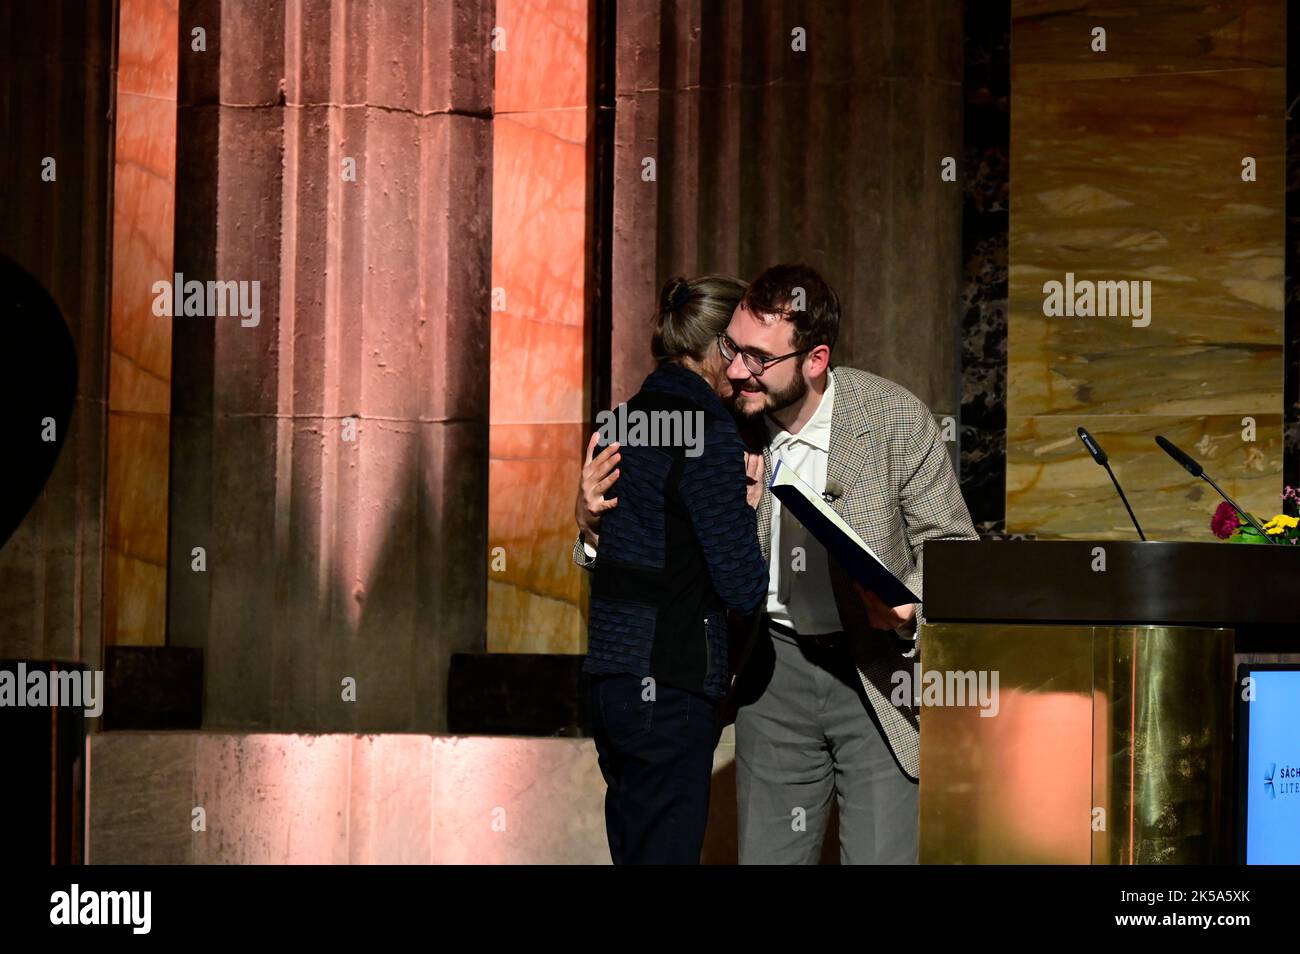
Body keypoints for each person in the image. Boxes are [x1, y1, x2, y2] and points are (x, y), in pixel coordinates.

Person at [576, 264, 978, 864]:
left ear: (814, 360)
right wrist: (589, 523)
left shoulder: (892, 418)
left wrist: (908, 604)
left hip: (874, 673)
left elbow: (955, 549)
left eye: (758, 359)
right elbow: (652, 541)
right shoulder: (722, 422)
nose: (737, 371)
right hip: (769, 675)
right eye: (732, 349)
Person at [578, 275, 768, 865]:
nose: (745, 370)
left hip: (612, 685)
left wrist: (585, 529)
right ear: (717, 349)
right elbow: (743, 586)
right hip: (670, 686)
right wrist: (750, 515)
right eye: (739, 350)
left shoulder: (620, 423)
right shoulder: (710, 433)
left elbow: (622, 549)